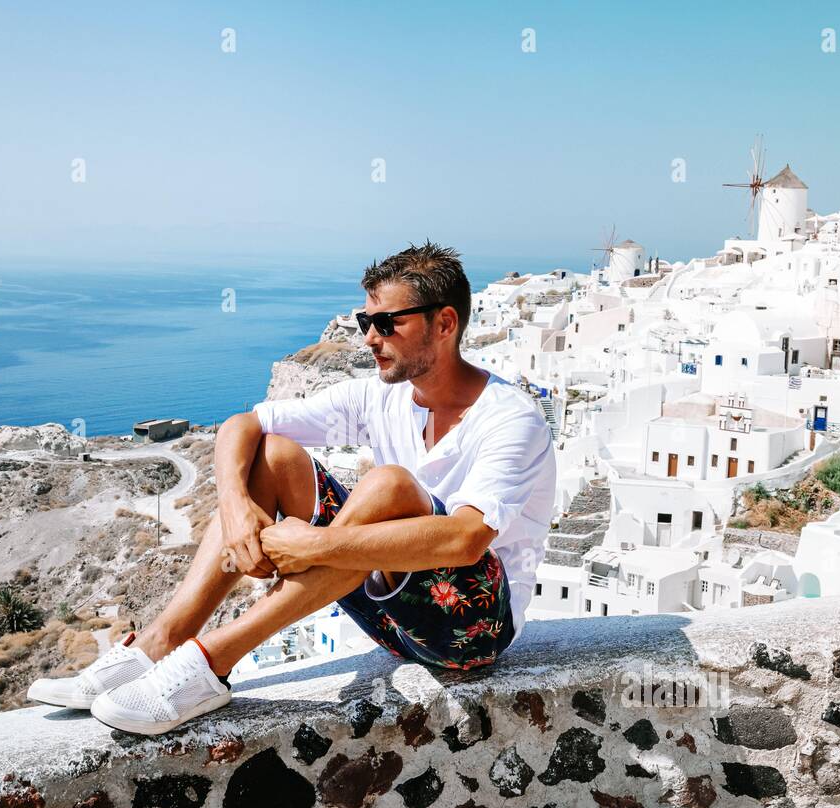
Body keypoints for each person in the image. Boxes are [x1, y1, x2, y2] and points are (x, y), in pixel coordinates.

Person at [28, 241, 557, 734]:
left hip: (468, 631)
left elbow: (464, 538)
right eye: (364, 321)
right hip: (387, 607)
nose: (370, 337)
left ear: (444, 322)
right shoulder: (379, 398)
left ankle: (211, 664)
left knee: (390, 486)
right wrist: (235, 506)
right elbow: (245, 424)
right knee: (274, 453)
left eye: (387, 323)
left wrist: (318, 544)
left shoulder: (510, 418)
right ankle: (158, 644)